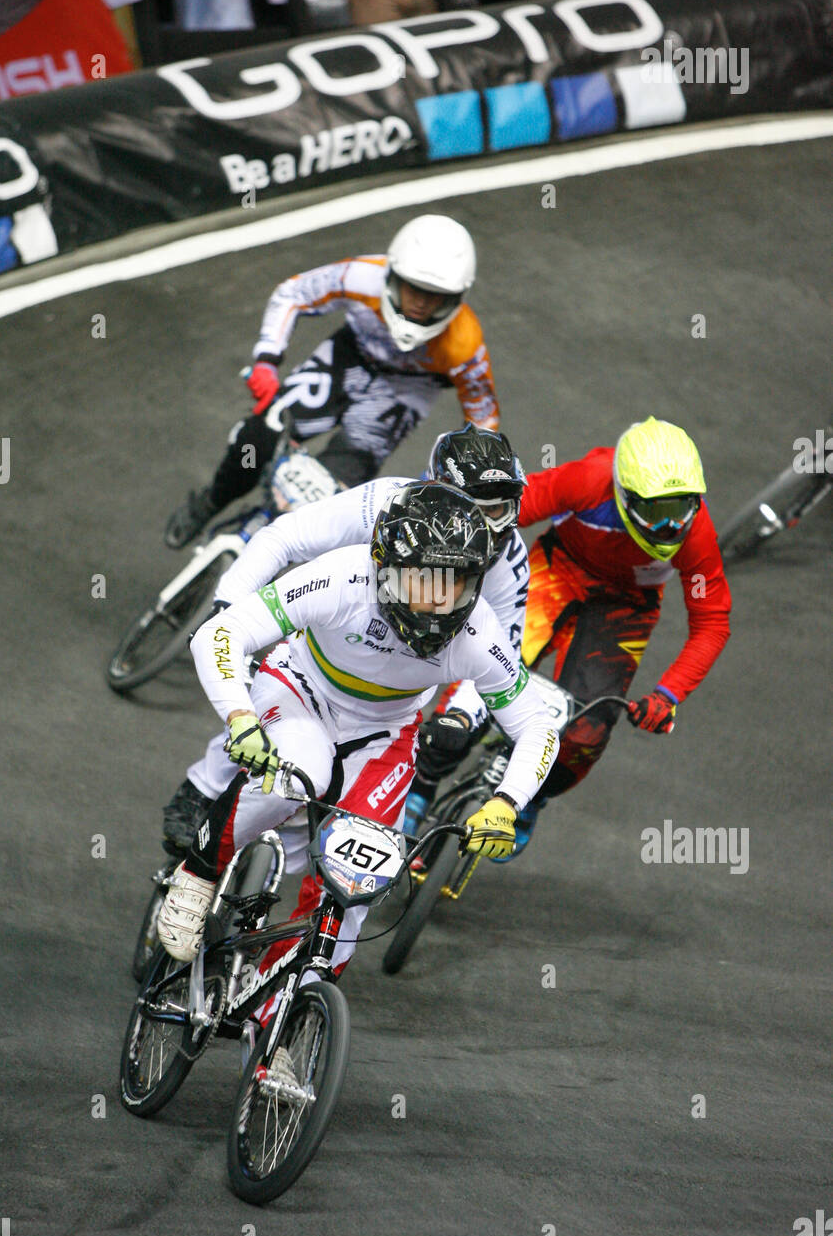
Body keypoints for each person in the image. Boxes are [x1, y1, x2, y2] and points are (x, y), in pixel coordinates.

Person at [156, 482, 561, 973]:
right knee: (297, 776)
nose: (437, 602)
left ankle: (288, 1016)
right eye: (423, 581)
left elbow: (538, 724)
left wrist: (506, 801)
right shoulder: (340, 577)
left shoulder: (478, 631)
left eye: (454, 583)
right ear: (384, 566)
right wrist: (240, 718)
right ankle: (199, 872)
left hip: (385, 732)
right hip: (302, 692)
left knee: (360, 878)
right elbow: (220, 634)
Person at [161, 425, 529, 855]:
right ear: (431, 487)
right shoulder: (384, 499)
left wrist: (462, 716)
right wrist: (228, 604)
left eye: (498, 509)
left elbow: (505, 647)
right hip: (338, 618)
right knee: (268, 706)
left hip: (403, 681)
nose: (481, 525)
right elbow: (285, 537)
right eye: (471, 505)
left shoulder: (510, 562)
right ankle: (206, 784)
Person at [164, 214, 499, 548]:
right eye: (414, 288)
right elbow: (292, 294)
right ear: (392, 274)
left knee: (327, 500)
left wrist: (464, 478)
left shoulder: (466, 345)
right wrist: (267, 361)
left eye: (436, 295)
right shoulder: (361, 276)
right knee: (258, 436)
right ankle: (212, 500)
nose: (422, 303)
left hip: (406, 389)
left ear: (456, 298)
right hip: (349, 357)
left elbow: (483, 420)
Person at [512, 416, 731, 856]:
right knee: (488, 671)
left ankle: (532, 797)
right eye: (655, 510)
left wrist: (667, 695)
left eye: (681, 507)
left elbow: (712, 624)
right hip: (559, 568)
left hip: (626, 604)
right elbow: (512, 507)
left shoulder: (697, 535)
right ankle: (421, 786)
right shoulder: (588, 479)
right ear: (623, 494)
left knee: (585, 736)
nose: (671, 528)